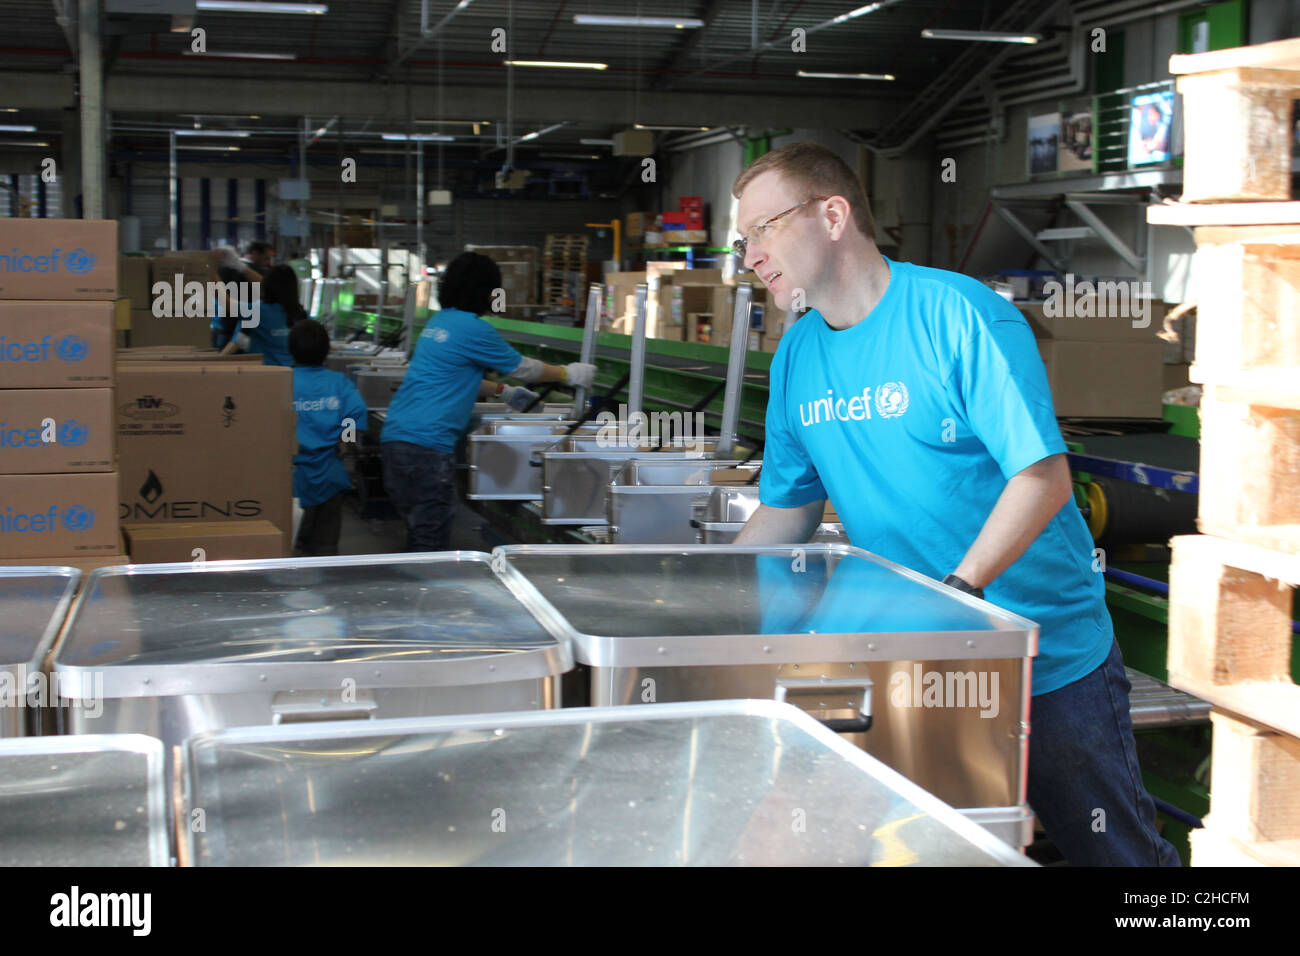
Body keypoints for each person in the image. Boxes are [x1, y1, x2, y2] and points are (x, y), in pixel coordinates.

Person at [730, 142, 1180, 867]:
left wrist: (958, 598)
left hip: (1044, 658)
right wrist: (703, 599)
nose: (749, 255)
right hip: (902, 661)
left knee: (1116, 857)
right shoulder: (797, 354)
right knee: (905, 850)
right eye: (742, 238)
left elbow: (1041, 479)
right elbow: (788, 511)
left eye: (762, 230)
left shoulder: (958, 316)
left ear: (833, 215)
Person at [380, 251, 596, 551]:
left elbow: (450, 375)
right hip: (425, 448)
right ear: (486, 291)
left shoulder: (439, 322)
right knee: (429, 541)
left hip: (397, 441)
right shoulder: (474, 328)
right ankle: (424, 597)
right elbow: (524, 368)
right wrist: (567, 373)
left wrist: (502, 391)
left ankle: (416, 591)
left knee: (420, 532)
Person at [287, 319, 368, 557]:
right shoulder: (339, 383)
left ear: (290, 349)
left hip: (290, 478)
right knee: (325, 547)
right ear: (326, 350)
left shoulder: (280, 381)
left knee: (291, 547)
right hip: (330, 477)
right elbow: (355, 414)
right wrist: (346, 439)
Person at [219, 263, 301, 366]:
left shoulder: (257, 311)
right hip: (293, 375)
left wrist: (211, 273)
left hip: (265, 375)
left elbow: (226, 302)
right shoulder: (300, 313)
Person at [212, 241, 275, 349]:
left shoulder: (225, 270)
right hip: (245, 329)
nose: (268, 263)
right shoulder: (259, 273)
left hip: (229, 328)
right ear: (255, 253)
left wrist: (211, 268)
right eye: (266, 258)